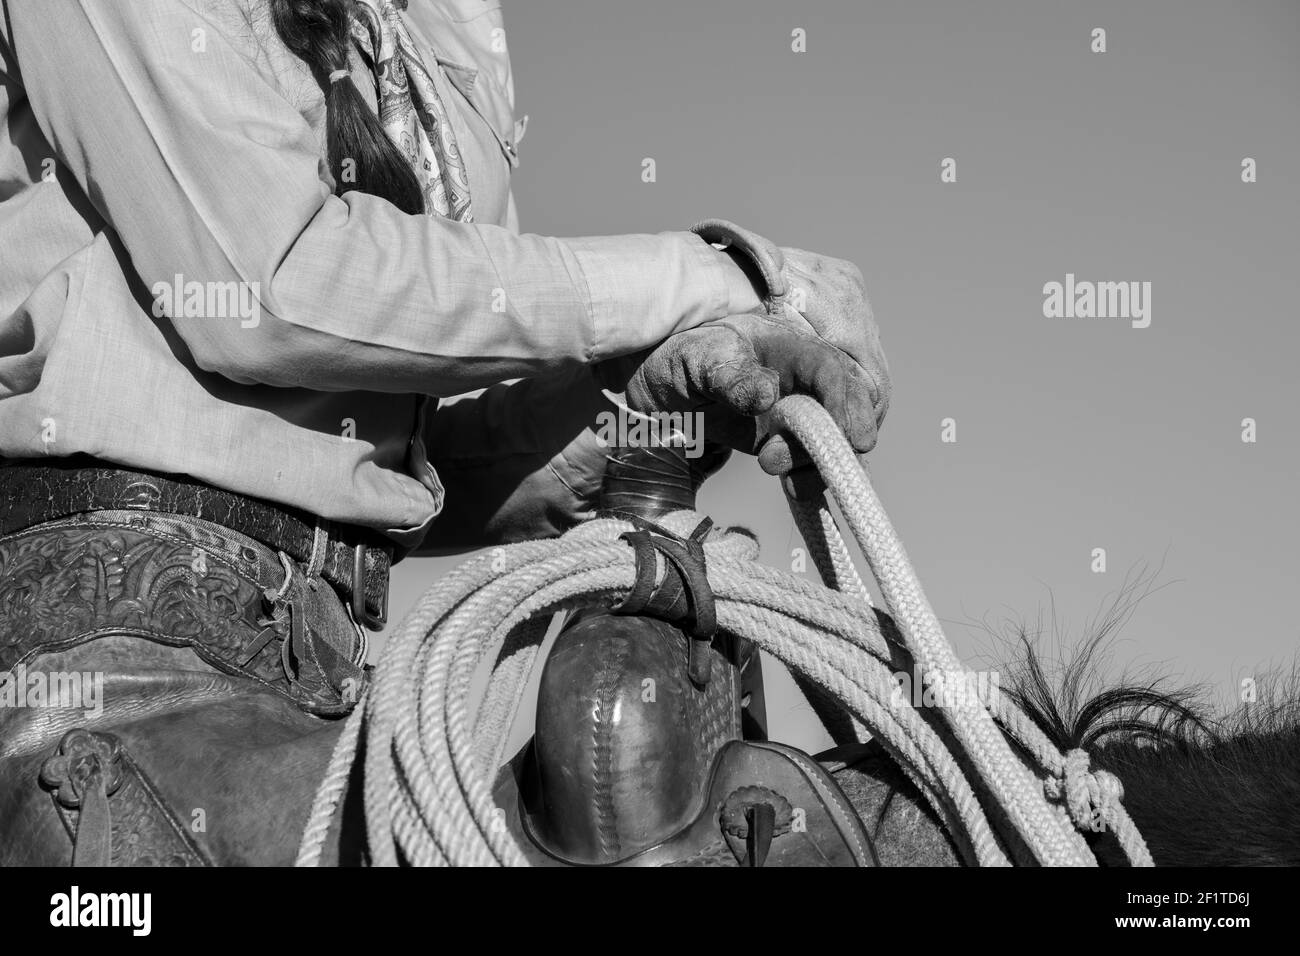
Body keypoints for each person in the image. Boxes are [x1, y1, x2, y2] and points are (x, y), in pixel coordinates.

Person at [0, 0, 890, 865]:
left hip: (326, 669)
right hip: (105, 672)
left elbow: (427, 442)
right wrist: (703, 278)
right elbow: (274, 286)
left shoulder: (448, 20)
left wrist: (650, 408)